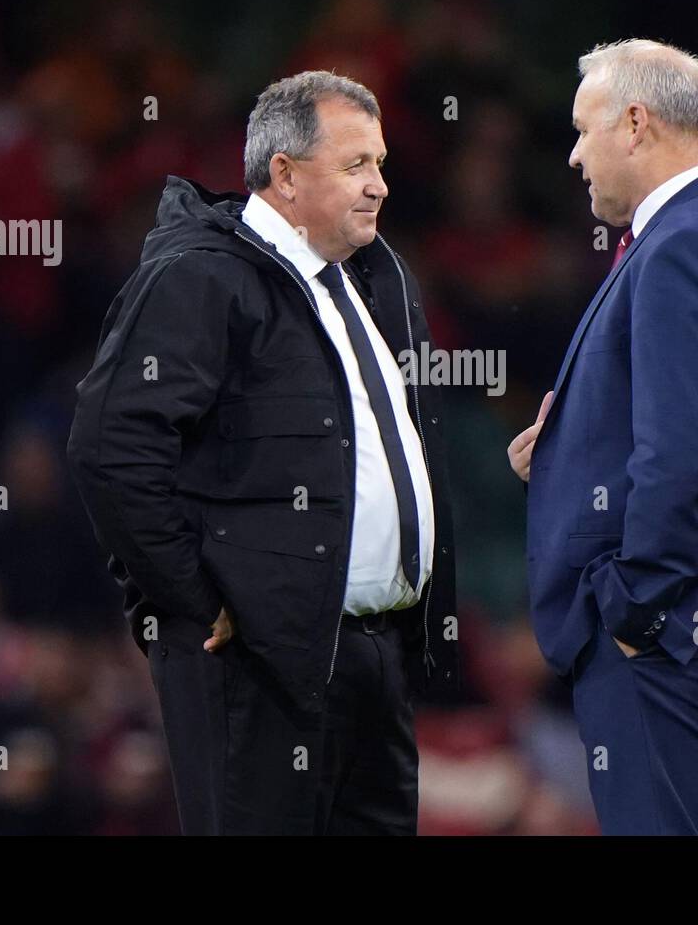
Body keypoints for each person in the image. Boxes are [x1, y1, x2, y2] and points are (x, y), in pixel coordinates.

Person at [67, 71, 459, 835]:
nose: (379, 186)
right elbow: (110, 447)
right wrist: (190, 597)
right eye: (355, 166)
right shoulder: (200, 274)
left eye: (380, 165)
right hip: (257, 666)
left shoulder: (372, 279)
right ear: (283, 173)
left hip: (376, 660)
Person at [508, 39, 698, 835]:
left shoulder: (685, 243)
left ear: (636, 123)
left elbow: (683, 453)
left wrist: (633, 610)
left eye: (583, 130)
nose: (574, 157)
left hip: (668, 634)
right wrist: (569, 443)